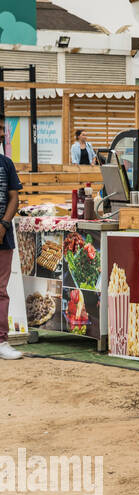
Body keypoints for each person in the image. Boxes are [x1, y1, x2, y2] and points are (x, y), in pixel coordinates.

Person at [0, 150, 22, 360]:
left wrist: (4, 225)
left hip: (3, 238)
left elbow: (15, 198)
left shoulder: (6, 164)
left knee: (0, 291)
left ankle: (1, 341)